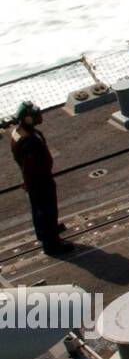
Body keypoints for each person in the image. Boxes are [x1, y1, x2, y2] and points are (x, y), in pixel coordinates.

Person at [9, 101, 72, 256]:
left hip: (36, 179)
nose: (39, 116)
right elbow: (30, 166)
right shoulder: (29, 140)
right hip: (39, 180)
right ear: (28, 119)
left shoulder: (20, 132)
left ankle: (47, 233)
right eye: (34, 115)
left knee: (40, 209)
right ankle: (51, 244)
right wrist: (31, 182)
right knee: (46, 210)